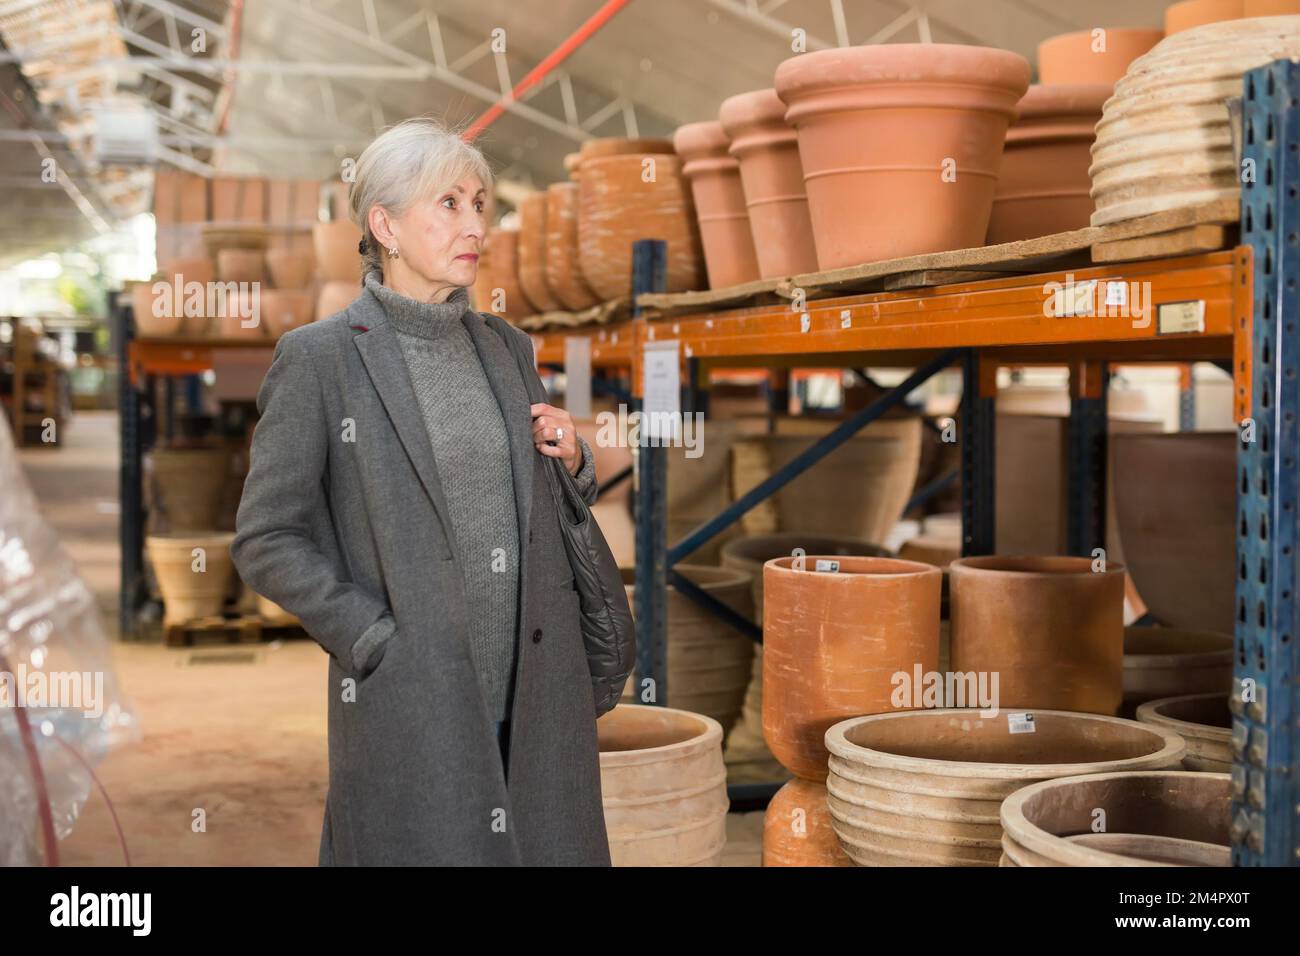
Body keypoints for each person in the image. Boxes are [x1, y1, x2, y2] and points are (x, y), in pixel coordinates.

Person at [231, 117, 611, 866]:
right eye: (449, 204)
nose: (475, 224)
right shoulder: (321, 360)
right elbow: (265, 539)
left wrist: (572, 459)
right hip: (415, 691)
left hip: (536, 686)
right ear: (386, 224)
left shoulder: (506, 348)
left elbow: (536, 500)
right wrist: (372, 638)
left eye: (480, 203)